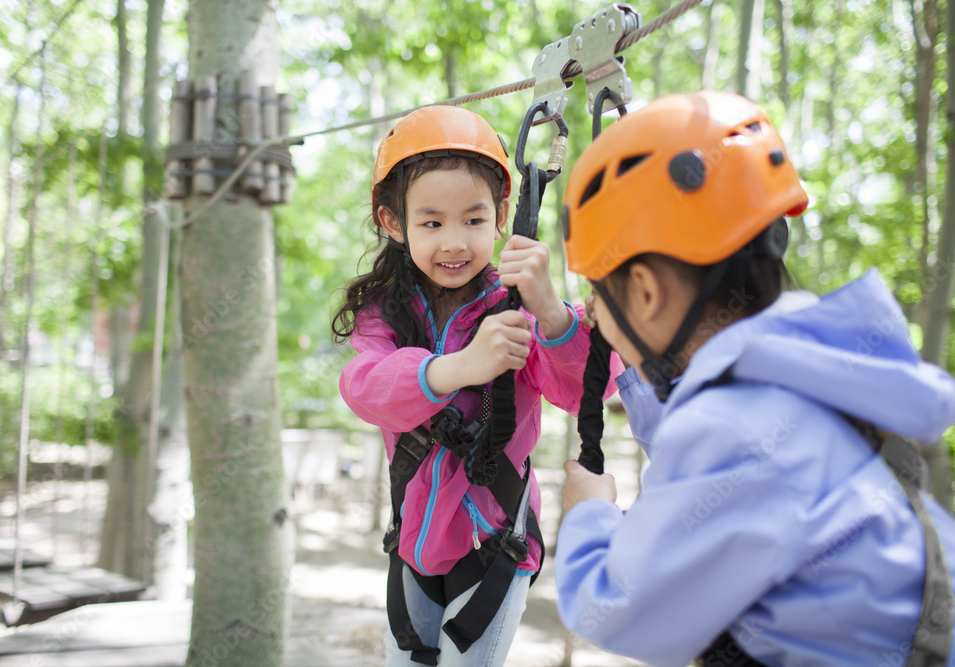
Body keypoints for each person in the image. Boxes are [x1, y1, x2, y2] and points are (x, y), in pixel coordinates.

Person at [554, 90, 955, 666]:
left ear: (643, 292)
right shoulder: (815, 377)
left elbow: (613, 607)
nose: (595, 317)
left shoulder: (735, 430)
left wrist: (590, 511)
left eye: (597, 293)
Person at [334, 104, 620, 667]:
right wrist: (460, 367)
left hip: (495, 542)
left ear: (501, 215)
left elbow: (588, 388)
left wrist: (551, 313)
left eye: (473, 219)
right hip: (414, 541)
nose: (454, 242)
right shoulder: (385, 310)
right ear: (394, 223)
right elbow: (363, 386)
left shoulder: (515, 303)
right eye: (431, 222)